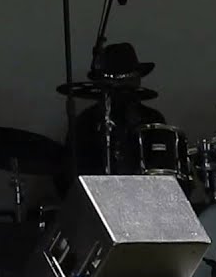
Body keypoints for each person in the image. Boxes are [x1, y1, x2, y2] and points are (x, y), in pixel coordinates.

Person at [63, 42, 165, 196]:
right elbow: (68, 177)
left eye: (131, 78)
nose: (126, 86)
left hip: (148, 201)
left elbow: (164, 169)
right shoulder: (86, 123)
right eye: (119, 80)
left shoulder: (152, 120)